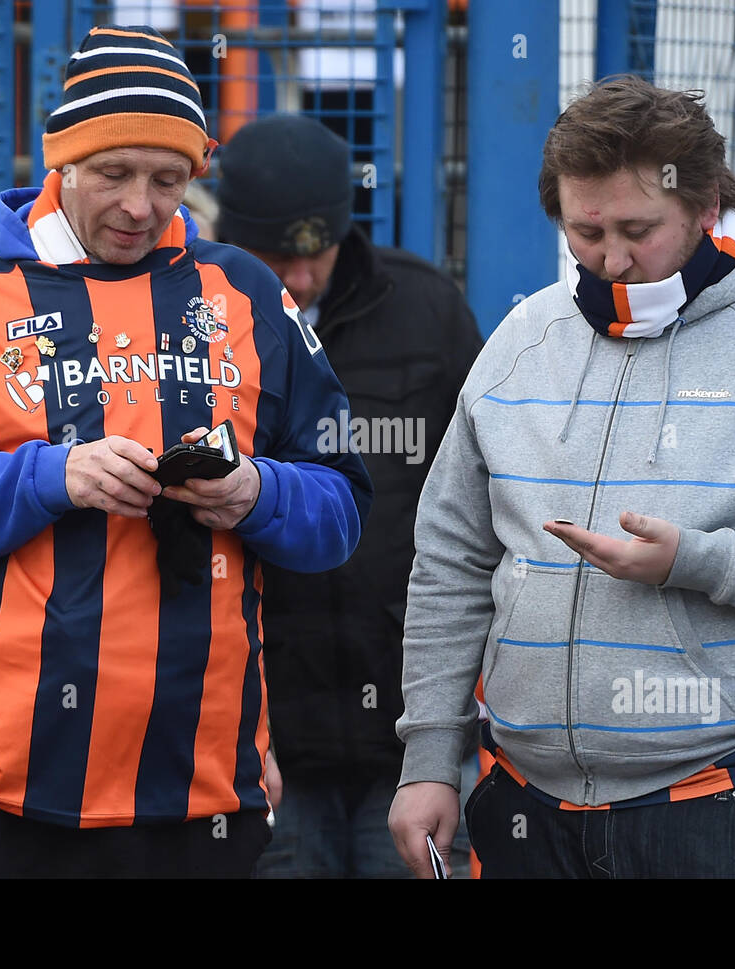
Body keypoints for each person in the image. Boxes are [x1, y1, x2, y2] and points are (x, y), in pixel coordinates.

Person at [388, 75, 735, 879]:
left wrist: (698, 560)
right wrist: (430, 756)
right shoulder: (521, 338)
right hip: (529, 803)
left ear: (704, 206)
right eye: (585, 230)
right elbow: (451, 561)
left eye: (638, 230)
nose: (610, 258)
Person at [0, 24, 372, 878]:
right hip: (2, 792)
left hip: (199, 792)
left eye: (169, 178)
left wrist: (254, 493)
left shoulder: (244, 290)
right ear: (60, 162)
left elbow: (344, 509)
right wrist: (50, 475)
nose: (141, 204)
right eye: (114, 174)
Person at [213, 113, 483, 877]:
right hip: (263, 734)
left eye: (318, 251)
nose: (299, 278)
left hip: (409, 729)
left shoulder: (428, 309)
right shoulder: (194, 324)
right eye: (275, 257)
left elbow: (490, 490)